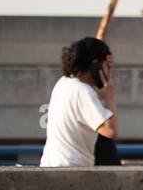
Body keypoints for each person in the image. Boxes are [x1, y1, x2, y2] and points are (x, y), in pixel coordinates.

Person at [40, 37, 120, 168]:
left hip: (53, 167)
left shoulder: (63, 83)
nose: (107, 71)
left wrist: (106, 71)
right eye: (105, 65)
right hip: (72, 171)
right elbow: (110, 130)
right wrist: (110, 98)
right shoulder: (83, 92)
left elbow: (94, 99)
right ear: (96, 65)